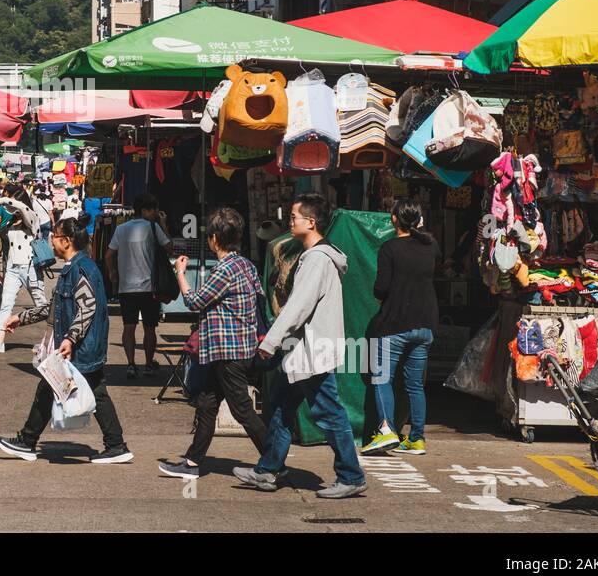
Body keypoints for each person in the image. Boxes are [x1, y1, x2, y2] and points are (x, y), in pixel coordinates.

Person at [235, 193, 367, 499]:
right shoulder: (318, 256)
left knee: (329, 413)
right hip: (303, 350)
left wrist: (270, 342)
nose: (289, 220)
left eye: (294, 216)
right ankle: (267, 470)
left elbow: (297, 308)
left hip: (312, 351)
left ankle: (351, 475)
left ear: (311, 221)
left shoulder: (317, 260)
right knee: (282, 409)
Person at [0, 216, 133, 464]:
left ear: (66, 241)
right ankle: (116, 445)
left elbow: (87, 307)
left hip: (81, 346)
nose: (51, 242)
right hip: (84, 345)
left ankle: (28, 441)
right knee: (92, 391)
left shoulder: (80, 269)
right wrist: (22, 317)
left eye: (54, 237)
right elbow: (57, 305)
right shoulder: (77, 267)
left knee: (54, 386)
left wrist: (70, 338)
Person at [158, 208, 270, 480]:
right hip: (234, 347)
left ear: (215, 239)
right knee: (207, 403)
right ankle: (193, 463)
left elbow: (195, 301)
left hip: (229, 350)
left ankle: (273, 462)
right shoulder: (246, 265)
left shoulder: (225, 269)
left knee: (242, 409)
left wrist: (180, 273)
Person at [362, 199, 439, 456]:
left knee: (382, 379)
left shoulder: (390, 248)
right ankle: (417, 439)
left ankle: (386, 430)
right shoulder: (430, 247)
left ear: (394, 219)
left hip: (394, 325)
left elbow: (381, 289)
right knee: (415, 385)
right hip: (425, 326)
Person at [105, 193, 171, 379]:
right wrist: (163, 225)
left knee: (129, 326)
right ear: (145, 210)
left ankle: (131, 364)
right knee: (150, 328)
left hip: (127, 287)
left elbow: (109, 255)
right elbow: (169, 248)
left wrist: (112, 273)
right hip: (149, 288)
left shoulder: (121, 229)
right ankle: (149, 364)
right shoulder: (153, 227)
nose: (156, 213)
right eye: (153, 210)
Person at [0, 184, 48, 353]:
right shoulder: (12, 220)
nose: (9, 207)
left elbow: (22, 208)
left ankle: (51, 340)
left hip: (30, 267)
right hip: (12, 267)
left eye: (13, 203)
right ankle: (0, 340)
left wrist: (3, 199)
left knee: (43, 306)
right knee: (6, 304)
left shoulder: (31, 217)